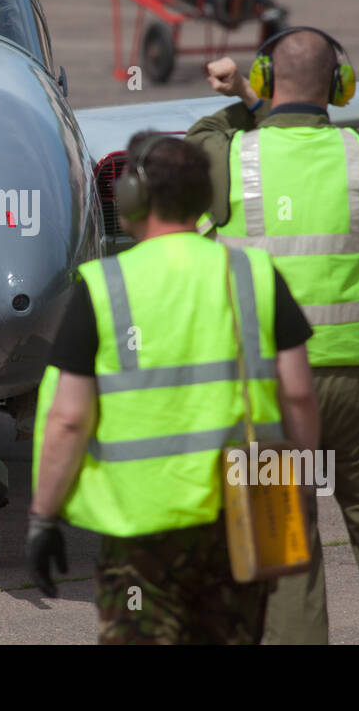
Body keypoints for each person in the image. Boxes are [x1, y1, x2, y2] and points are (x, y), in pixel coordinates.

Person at [188, 27, 359, 645]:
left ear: (261, 80)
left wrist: (241, 97)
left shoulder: (229, 155)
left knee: (283, 557)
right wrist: (268, 99)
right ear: (340, 88)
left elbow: (209, 132)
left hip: (266, 391)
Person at [27, 132, 320, 644]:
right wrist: (298, 486)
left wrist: (43, 518)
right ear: (204, 198)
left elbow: (68, 419)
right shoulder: (254, 273)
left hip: (142, 527)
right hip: (242, 519)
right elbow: (297, 392)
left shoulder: (102, 288)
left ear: (132, 200)